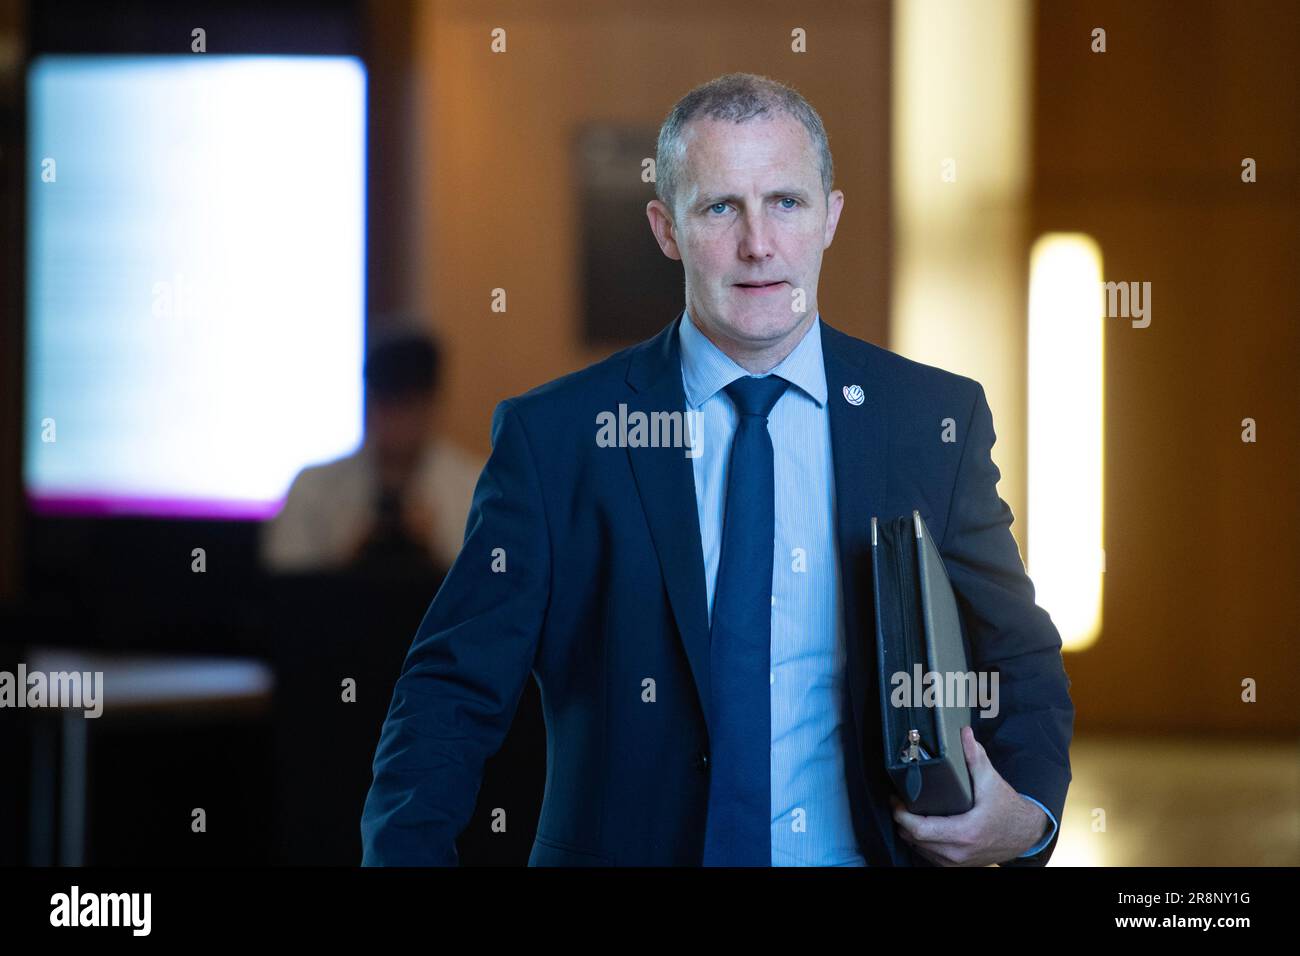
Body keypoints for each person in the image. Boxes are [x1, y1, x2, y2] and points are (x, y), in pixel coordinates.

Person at [361, 73, 1073, 866]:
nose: (759, 244)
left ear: (831, 217)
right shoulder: (555, 437)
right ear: (666, 229)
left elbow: (1020, 655)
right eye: (719, 207)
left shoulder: (930, 422)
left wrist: (1029, 816)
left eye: (787, 203)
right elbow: (449, 694)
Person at [260, 330, 482, 577]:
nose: (395, 420)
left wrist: (433, 551)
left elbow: (491, 591)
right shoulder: (312, 489)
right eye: (385, 403)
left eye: (407, 404)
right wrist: (347, 559)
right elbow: (283, 590)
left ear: (431, 404)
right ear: (369, 400)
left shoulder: (476, 491)